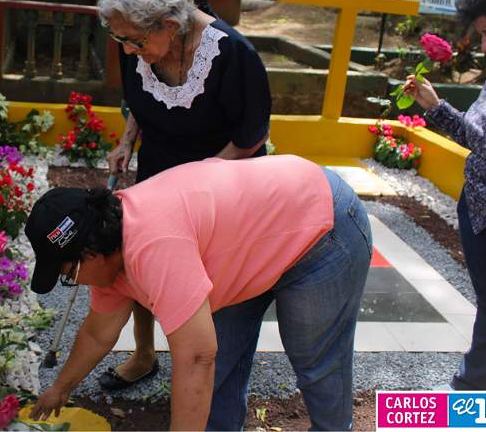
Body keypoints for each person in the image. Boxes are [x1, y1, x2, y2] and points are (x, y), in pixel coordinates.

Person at [25, 155, 372, 430]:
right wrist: (60, 388)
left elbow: (195, 358)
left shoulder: (154, 246)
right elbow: (98, 332)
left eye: (69, 273)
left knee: (316, 363)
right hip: (250, 240)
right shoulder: (108, 248)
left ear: (90, 254)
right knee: (219, 367)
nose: (76, 282)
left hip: (321, 225)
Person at [97, 0, 272, 391]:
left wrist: (199, 184)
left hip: (222, 177)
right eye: (118, 38)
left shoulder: (232, 54)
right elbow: (138, 103)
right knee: (139, 256)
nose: (126, 49)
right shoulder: (135, 41)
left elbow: (250, 137)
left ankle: (206, 360)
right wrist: (125, 143)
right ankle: (143, 354)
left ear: (169, 24)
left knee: (205, 275)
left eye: (133, 40)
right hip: (160, 166)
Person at [403, 0, 486, 391]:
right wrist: (434, 107)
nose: (485, 46)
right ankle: (473, 396)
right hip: (482, 215)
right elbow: (481, 139)